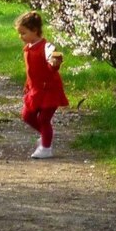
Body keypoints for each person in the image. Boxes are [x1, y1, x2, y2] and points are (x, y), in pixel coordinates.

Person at [15, 11, 68, 159]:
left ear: (35, 30)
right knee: (27, 116)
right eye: (19, 33)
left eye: (23, 33)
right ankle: (47, 135)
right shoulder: (28, 47)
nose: (21, 37)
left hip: (49, 89)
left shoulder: (46, 46)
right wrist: (27, 85)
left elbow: (52, 59)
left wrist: (54, 63)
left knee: (44, 119)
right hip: (35, 89)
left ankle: (46, 148)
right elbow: (30, 71)